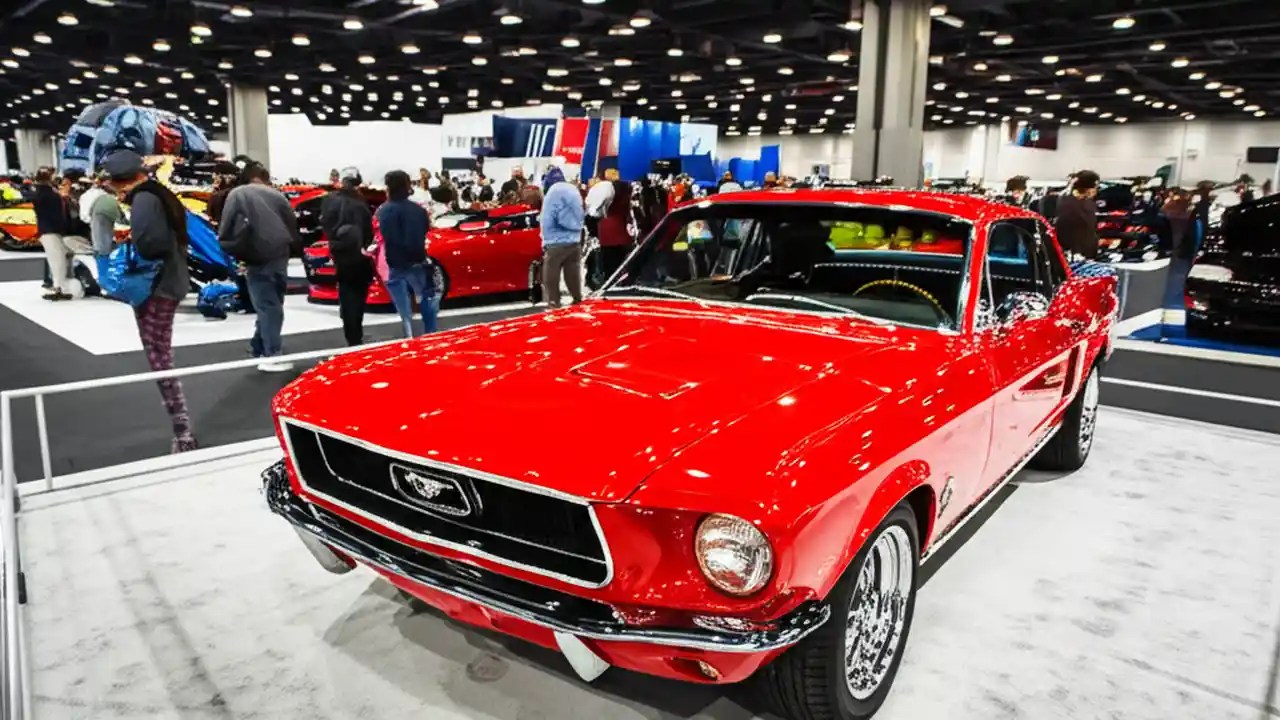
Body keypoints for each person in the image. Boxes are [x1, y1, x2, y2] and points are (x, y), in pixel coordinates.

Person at [101, 150, 199, 453]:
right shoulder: (159, 194)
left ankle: (183, 433)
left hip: (155, 287)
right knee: (160, 355)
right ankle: (182, 430)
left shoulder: (144, 199)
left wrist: (133, 242)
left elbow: (151, 244)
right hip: (167, 282)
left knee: (159, 358)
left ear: (119, 180)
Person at [217, 163, 301, 372]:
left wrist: (232, 250)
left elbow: (226, 228)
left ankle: (269, 351)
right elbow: (293, 226)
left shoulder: (237, 194)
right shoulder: (278, 196)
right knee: (272, 304)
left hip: (255, 257)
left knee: (266, 306)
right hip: (279, 255)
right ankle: (265, 349)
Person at [376, 170, 437, 337]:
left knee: (403, 307)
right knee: (426, 299)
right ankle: (430, 334)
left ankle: (410, 336)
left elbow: (387, 236)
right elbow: (425, 230)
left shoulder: (385, 210)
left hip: (397, 262)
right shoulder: (418, 210)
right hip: (418, 259)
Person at [320, 167, 374, 346]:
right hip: (359, 255)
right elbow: (368, 231)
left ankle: (351, 334)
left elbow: (325, 225)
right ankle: (355, 334)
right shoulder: (361, 203)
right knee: (358, 296)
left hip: (340, 253)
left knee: (346, 293)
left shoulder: (329, 201)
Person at [539, 173, 585, 309]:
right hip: (575, 238)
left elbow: (551, 214)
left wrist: (545, 237)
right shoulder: (573, 189)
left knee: (551, 271)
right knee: (573, 271)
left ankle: (553, 301)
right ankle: (577, 298)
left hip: (556, 239)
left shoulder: (554, 192)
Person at [32, 168, 76, 301]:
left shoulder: (42, 193)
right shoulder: (48, 194)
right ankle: (59, 288)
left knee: (56, 259)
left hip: (48, 229)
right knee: (57, 260)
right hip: (51, 230)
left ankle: (59, 286)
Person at [80, 173, 123, 283]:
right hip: (102, 229)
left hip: (96, 228)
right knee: (103, 253)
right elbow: (122, 219)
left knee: (101, 252)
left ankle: (105, 282)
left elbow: (84, 216)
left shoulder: (94, 196)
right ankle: (106, 283)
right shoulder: (105, 198)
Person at [1055, 170, 1101, 260]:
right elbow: (1064, 229)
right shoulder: (1067, 203)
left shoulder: (1089, 203)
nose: (1096, 190)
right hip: (1074, 254)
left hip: (1088, 252)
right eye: (1095, 187)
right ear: (1087, 189)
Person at [597, 175, 634, 280]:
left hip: (605, 235)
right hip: (621, 234)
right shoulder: (625, 192)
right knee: (623, 268)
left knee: (609, 270)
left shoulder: (604, 194)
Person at [584, 173, 615, 240]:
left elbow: (588, 203)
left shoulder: (599, 187)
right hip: (602, 218)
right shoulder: (608, 186)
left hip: (595, 218)